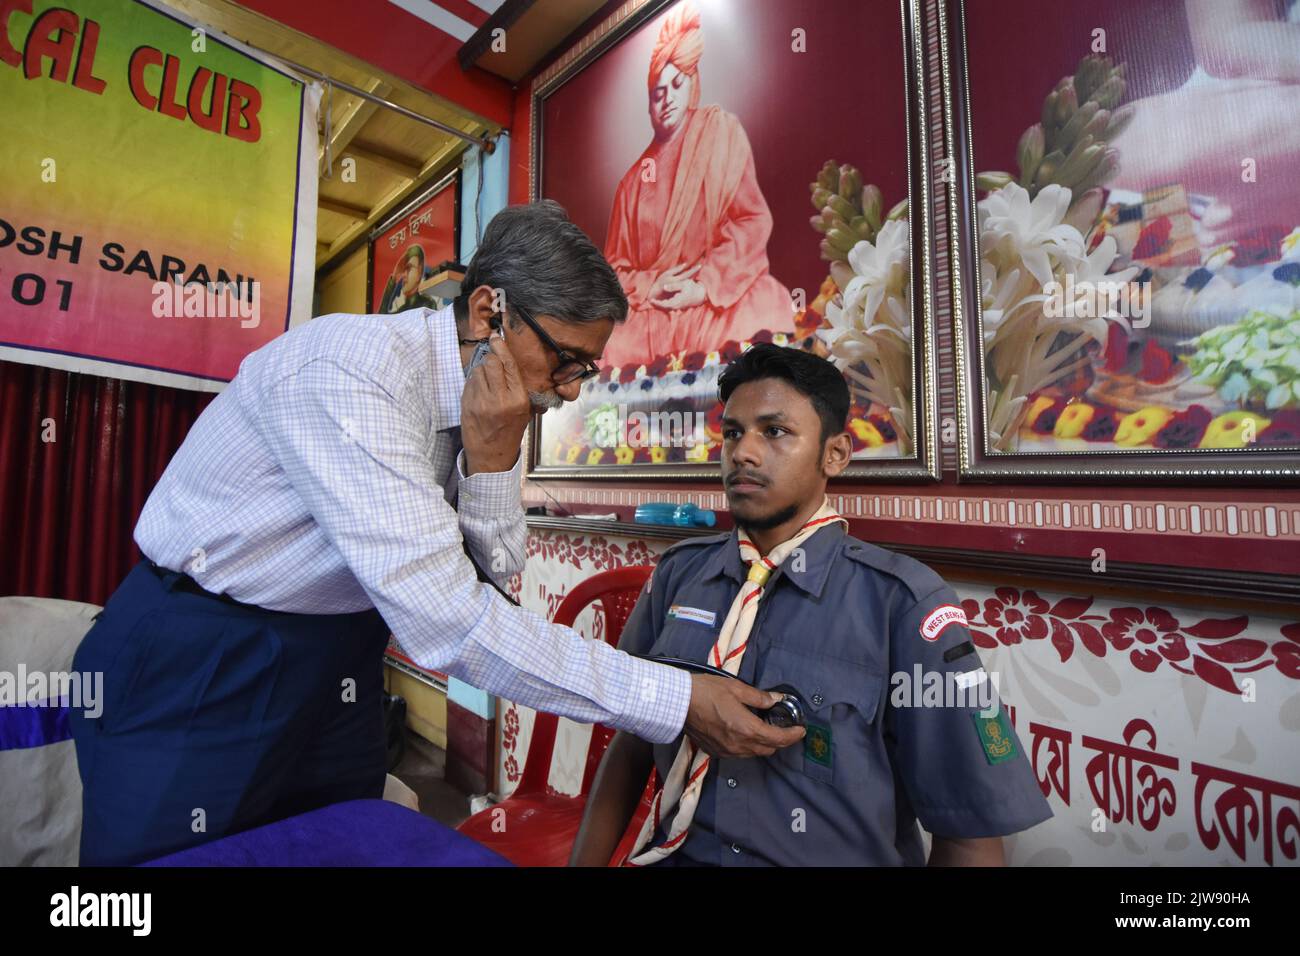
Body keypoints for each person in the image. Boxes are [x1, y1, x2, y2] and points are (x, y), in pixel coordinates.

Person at [69, 201, 802, 866]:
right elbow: (449, 621)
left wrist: (487, 467)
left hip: (335, 658)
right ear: (489, 312)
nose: (574, 388)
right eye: (566, 360)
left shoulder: (489, 410)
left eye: (587, 367)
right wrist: (674, 698)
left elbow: (500, 580)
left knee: (335, 844)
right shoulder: (351, 375)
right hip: (207, 651)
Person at [569, 344, 1053, 866]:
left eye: (774, 432)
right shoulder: (678, 576)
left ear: (835, 455)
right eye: (733, 432)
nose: (743, 453)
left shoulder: (905, 604)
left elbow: (970, 836)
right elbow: (632, 744)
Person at [599, 2, 791, 368]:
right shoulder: (630, 183)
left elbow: (750, 221)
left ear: (693, 84)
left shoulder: (720, 133)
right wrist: (651, 286)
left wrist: (703, 286)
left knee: (768, 305)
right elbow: (613, 273)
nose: (667, 98)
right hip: (653, 314)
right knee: (610, 342)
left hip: (715, 301)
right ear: (649, 101)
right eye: (658, 91)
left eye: (676, 84)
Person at [378, 244, 438, 314]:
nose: (404, 275)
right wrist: (394, 277)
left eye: (409, 268)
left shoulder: (427, 305)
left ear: (419, 272)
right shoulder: (400, 311)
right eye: (403, 270)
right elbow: (381, 320)